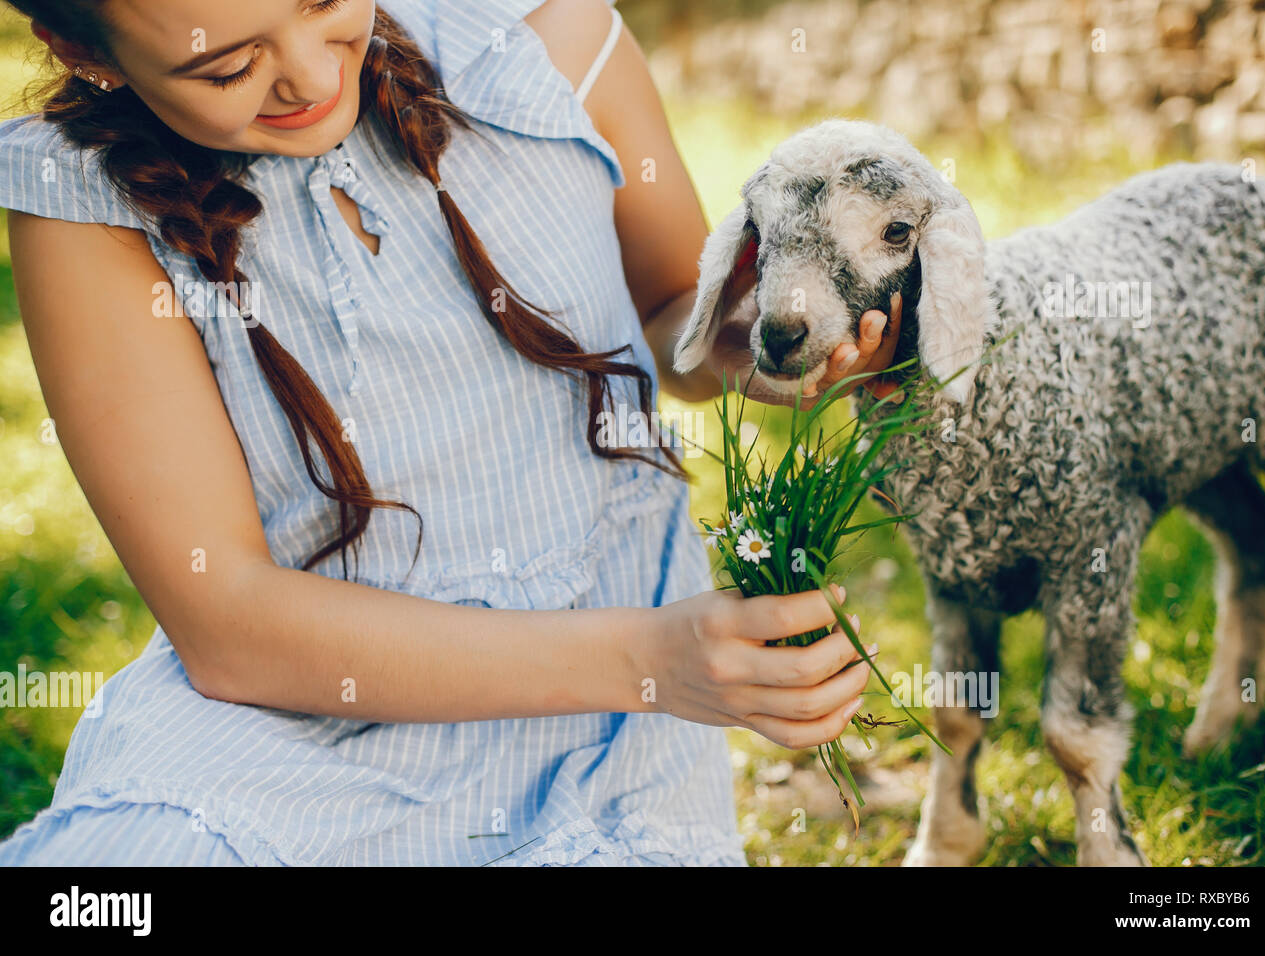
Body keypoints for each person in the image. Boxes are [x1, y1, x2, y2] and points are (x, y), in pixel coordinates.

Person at [0, 0, 899, 865]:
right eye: (229, 65)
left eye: (322, 1)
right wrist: (650, 660)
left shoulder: (540, 31)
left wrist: (760, 342)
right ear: (87, 53)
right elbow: (228, 626)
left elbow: (673, 310)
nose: (312, 75)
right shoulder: (77, 189)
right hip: (291, 720)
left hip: (598, 731)